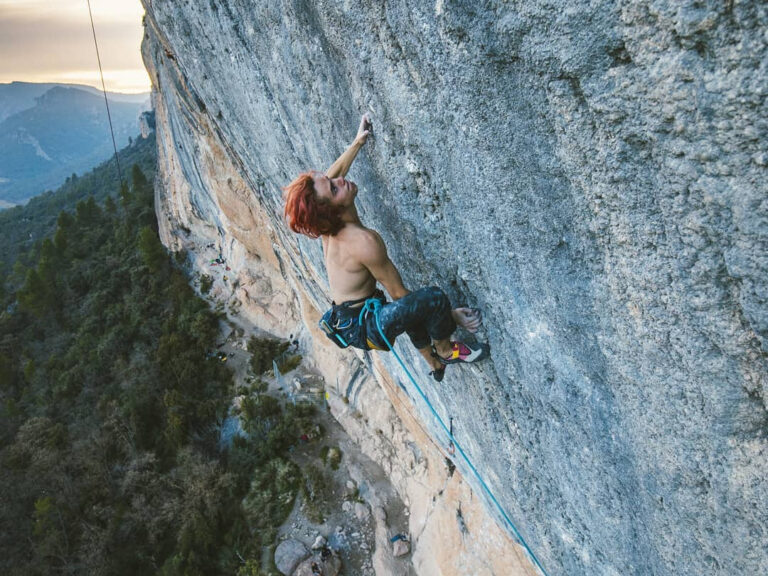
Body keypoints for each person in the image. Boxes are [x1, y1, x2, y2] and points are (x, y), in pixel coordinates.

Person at [283, 113, 489, 380]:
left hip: (346, 317)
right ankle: (445, 351)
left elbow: (331, 177)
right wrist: (449, 317)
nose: (339, 181)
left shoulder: (326, 221)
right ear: (331, 209)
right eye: (334, 189)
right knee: (432, 299)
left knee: (411, 309)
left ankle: (434, 365)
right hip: (366, 326)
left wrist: (357, 142)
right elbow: (399, 295)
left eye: (331, 180)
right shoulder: (363, 242)